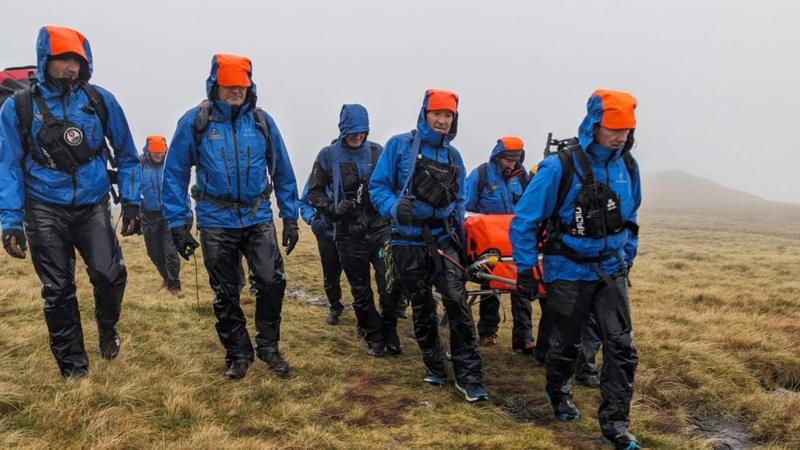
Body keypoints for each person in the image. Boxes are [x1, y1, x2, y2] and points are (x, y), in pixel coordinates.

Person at [0, 26, 141, 378]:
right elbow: (8, 166)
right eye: (63, 60)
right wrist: (11, 220)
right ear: (45, 61)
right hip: (43, 207)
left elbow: (126, 154)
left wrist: (132, 202)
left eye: (77, 61)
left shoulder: (100, 101)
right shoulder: (17, 107)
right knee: (58, 290)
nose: (71, 68)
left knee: (110, 276)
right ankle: (73, 368)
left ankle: (107, 328)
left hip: (92, 204)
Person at [510, 89, 641, 449]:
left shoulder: (627, 166)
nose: (621, 137)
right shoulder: (558, 167)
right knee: (565, 343)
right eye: (614, 129)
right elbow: (524, 220)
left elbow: (630, 219)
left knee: (622, 348)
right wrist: (524, 269)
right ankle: (558, 389)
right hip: (566, 269)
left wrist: (626, 257)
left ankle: (615, 426)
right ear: (594, 125)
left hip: (610, 270)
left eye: (626, 130)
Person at [162, 54, 299, 380]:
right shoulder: (195, 122)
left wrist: (290, 217)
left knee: (271, 282)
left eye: (242, 86)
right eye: (229, 86)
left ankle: (269, 347)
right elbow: (175, 174)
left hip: (257, 216)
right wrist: (178, 224)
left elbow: (283, 171)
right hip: (215, 219)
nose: (236, 91)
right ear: (215, 86)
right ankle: (238, 354)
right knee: (226, 291)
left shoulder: (263, 123)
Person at [370, 89, 488, 401]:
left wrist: (461, 242)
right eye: (437, 114)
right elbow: (378, 186)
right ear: (425, 114)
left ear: (454, 120)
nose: (442, 120)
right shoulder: (399, 146)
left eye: (448, 115)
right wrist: (395, 207)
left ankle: (470, 377)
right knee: (422, 307)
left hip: (443, 240)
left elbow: (461, 201)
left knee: (457, 304)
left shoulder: (454, 157)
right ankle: (435, 366)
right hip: (406, 240)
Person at [307, 104, 399, 356]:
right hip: (348, 235)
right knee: (360, 289)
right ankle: (374, 336)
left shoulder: (378, 152)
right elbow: (313, 193)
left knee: (389, 284)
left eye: (362, 131)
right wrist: (334, 208)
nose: (357, 136)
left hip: (381, 231)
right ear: (343, 130)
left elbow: (393, 185)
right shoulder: (327, 155)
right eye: (352, 132)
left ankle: (390, 330)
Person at [465, 136, 534, 353]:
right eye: (507, 159)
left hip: (517, 242)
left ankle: (524, 338)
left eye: (515, 159)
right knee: (491, 285)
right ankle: (487, 331)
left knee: (521, 287)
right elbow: (466, 210)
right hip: (489, 244)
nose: (511, 164)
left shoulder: (522, 178)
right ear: (498, 156)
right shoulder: (481, 175)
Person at [138, 135, 181, 295]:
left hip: (168, 215)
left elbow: (179, 186)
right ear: (149, 150)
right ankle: (166, 278)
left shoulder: (171, 163)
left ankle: (174, 285)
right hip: (148, 215)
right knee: (154, 252)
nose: (159, 155)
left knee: (171, 251)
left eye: (161, 152)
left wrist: (185, 209)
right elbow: (132, 185)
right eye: (156, 153)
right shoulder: (140, 163)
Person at [299, 174, 344, 325]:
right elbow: (304, 201)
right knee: (330, 274)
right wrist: (313, 219)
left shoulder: (358, 166)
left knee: (358, 276)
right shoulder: (319, 172)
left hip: (352, 234)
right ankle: (335, 307)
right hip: (326, 234)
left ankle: (364, 314)